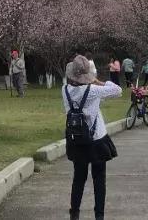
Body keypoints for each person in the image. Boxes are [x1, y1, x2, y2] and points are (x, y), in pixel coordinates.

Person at [62, 54, 120, 220]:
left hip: (76, 139)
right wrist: (96, 81)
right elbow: (117, 90)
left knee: (78, 179)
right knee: (99, 180)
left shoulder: (65, 90)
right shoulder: (93, 90)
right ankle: (99, 216)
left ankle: (74, 213)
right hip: (96, 140)